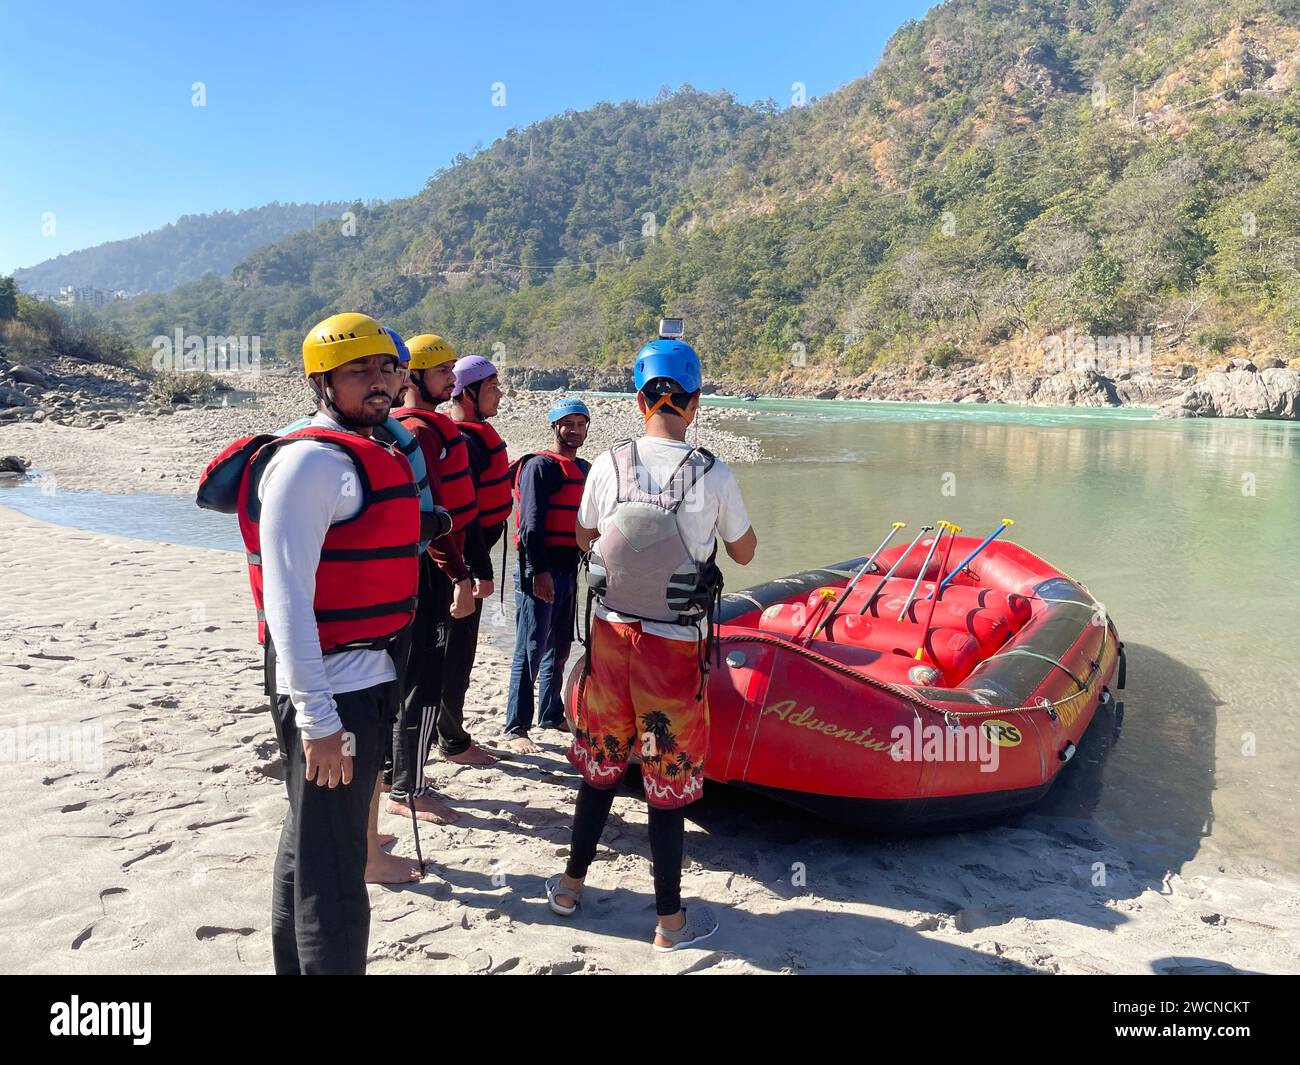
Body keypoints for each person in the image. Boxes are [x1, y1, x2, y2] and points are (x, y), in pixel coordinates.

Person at [218, 312, 429, 974]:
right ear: (322, 382)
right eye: (358, 370)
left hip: (357, 677)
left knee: (307, 851)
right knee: (337, 883)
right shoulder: (311, 460)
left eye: (387, 367)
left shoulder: (362, 446)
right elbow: (285, 601)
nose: (379, 381)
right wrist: (317, 718)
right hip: (331, 689)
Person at [547, 336, 757, 952]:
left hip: (611, 639)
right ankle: (669, 924)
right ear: (693, 402)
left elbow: (586, 536)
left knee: (600, 768)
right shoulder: (713, 472)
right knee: (668, 779)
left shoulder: (607, 465)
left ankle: (568, 886)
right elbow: (743, 552)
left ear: (640, 400)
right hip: (674, 651)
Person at [386, 332, 489, 822]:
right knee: (423, 679)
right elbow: (434, 513)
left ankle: (395, 776)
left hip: (420, 566)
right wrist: (460, 575)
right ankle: (410, 786)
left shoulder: (412, 427)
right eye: (444, 371)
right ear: (416, 377)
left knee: (409, 674)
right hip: (430, 568)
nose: (452, 379)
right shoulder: (421, 432)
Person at [502, 397, 592, 754]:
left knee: (560, 646)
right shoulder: (540, 466)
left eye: (580, 424)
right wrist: (538, 572)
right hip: (538, 566)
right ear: (554, 427)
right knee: (531, 647)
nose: (574, 430)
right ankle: (516, 725)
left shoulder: (584, 469)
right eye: (567, 424)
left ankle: (550, 713)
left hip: (568, 565)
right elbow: (531, 524)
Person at [437, 354, 511, 765]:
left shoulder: (475, 435)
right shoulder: (465, 441)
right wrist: (472, 573)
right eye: (492, 388)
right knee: (456, 652)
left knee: (455, 651)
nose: (500, 394)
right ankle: (451, 740)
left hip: (467, 560)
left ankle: (444, 730)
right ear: (467, 393)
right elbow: (462, 517)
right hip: (462, 564)